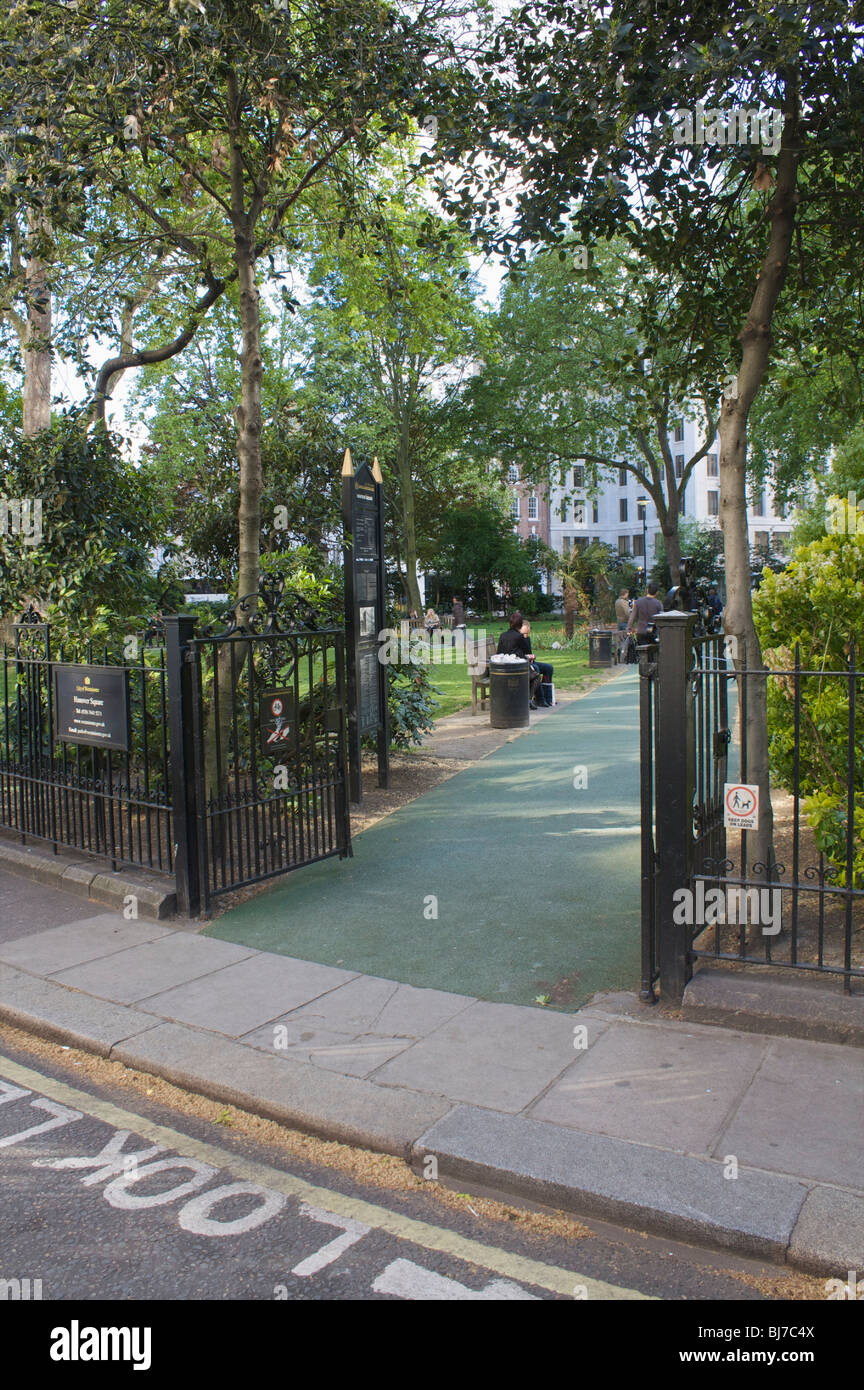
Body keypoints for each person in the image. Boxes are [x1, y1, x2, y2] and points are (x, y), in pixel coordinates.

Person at [496, 610, 543, 707]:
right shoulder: (519, 636)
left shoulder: (503, 635)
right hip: (518, 670)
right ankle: (529, 700)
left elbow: (499, 652)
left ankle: (532, 699)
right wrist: (526, 638)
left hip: (504, 670)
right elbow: (527, 651)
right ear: (520, 624)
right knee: (536, 676)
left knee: (533, 671)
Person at [521, 620, 554, 706]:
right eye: (524, 633)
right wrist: (528, 657)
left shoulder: (527, 639)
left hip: (530, 662)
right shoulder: (516, 640)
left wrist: (532, 657)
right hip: (523, 664)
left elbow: (529, 653)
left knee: (549, 668)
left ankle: (548, 698)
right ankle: (540, 699)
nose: (526, 636)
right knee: (536, 669)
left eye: (527, 633)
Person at [614, 587, 631, 662]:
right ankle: (624, 657)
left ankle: (619, 655)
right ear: (625, 594)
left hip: (619, 622)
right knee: (626, 640)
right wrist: (631, 619)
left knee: (620, 640)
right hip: (625, 622)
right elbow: (627, 613)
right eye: (627, 594)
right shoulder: (623, 602)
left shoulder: (617, 601)